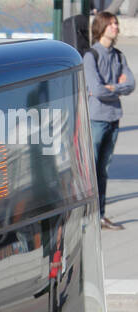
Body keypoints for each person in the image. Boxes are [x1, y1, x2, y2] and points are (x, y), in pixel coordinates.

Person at [83, 12, 135, 229]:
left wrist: (112, 87)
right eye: (111, 24)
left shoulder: (119, 56)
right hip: (96, 119)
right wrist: (115, 87)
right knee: (91, 171)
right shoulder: (91, 56)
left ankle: (100, 216)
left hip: (114, 117)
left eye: (116, 23)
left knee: (103, 170)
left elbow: (131, 84)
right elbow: (95, 89)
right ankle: (85, 218)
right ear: (101, 27)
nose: (115, 27)